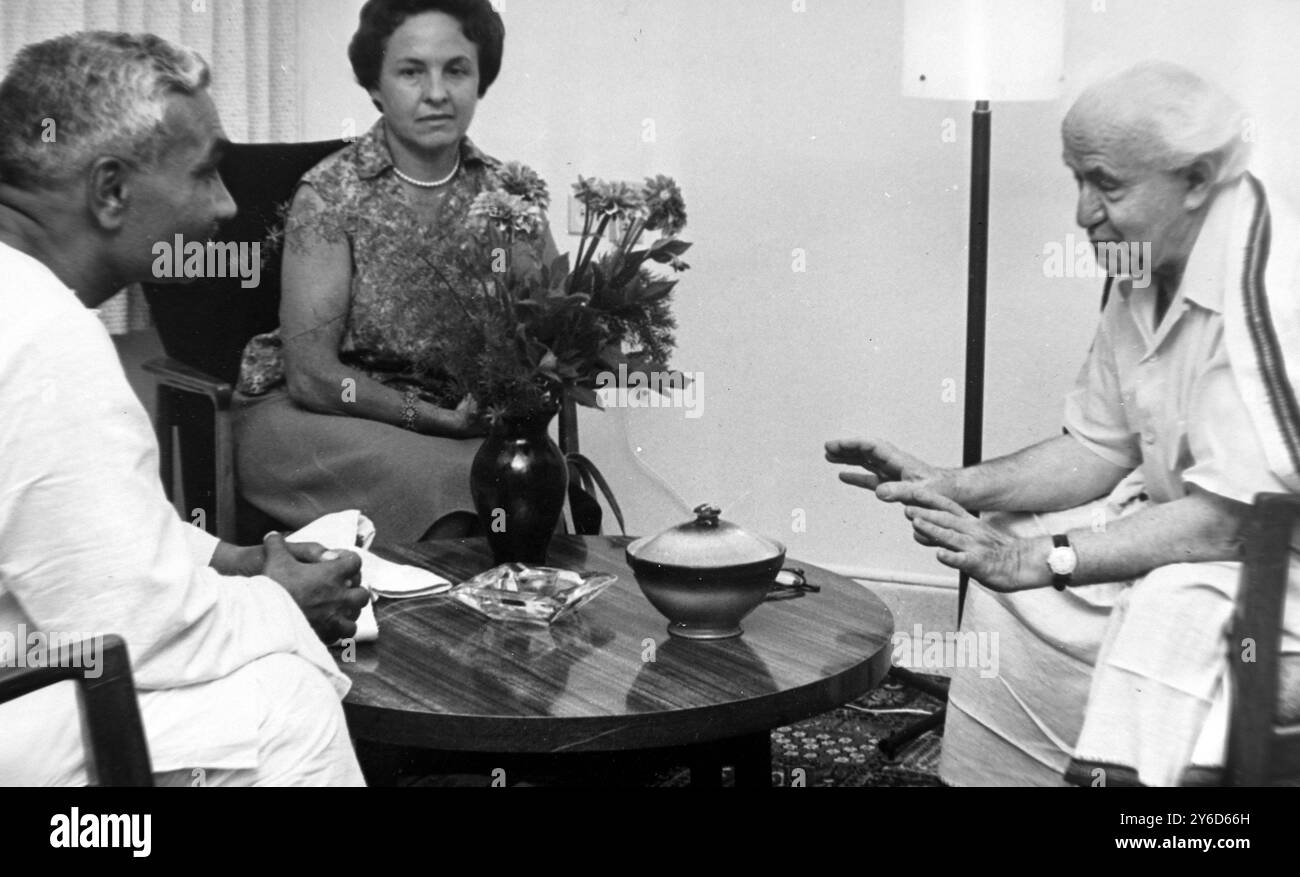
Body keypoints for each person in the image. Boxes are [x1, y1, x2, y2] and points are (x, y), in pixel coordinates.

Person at [827, 61, 1300, 787]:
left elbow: (1230, 522)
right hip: (1204, 530)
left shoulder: (1271, 276)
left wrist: (1043, 558)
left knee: (1140, 595)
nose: (1083, 212)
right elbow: (1097, 444)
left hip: (1276, 558)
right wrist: (953, 484)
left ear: (1198, 179)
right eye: (1076, 179)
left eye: (1106, 184)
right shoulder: (1144, 261)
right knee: (1009, 544)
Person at [0, 31, 371, 786]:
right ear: (110, 191)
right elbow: (128, 630)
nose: (227, 205)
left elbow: (60, 528)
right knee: (287, 705)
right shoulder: (42, 332)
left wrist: (228, 559)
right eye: (205, 173)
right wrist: (282, 601)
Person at [233, 0, 556, 543]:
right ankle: (433, 629)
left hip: (460, 424)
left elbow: (552, 336)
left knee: (524, 473)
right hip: (325, 419)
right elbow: (312, 376)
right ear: (376, 86)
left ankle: (515, 623)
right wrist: (437, 420)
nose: (436, 93)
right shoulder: (331, 195)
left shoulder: (509, 196)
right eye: (411, 71)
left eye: (456, 69)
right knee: (455, 480)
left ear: (481, 80)